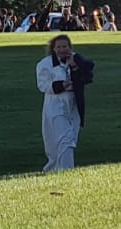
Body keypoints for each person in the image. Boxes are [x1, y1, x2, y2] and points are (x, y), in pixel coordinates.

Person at [35, 34, 94, 172]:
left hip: (73, 103)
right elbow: (42, 84)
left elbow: (88, 75)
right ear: (53, 48)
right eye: (59, 47)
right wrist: (61, 85)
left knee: (70, 138)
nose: (62, 49)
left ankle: (57, 169)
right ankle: (65, 170)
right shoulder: (45, 64)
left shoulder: (76, 59)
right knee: (64, 138)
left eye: (65, 46)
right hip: (55, 102)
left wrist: (74, 66)